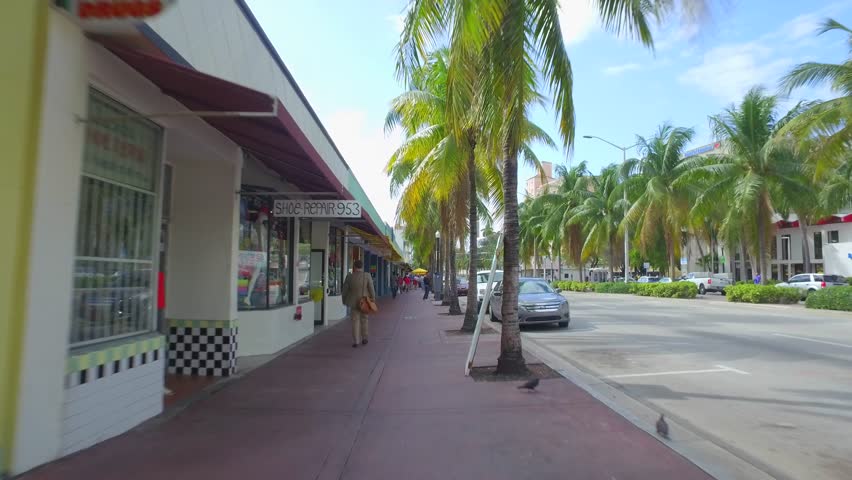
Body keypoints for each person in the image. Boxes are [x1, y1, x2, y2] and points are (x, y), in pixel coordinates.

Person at [342, 259, 375, 348]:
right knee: (365, 320)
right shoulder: (367, 276)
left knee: (355, 321)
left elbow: (344, 290)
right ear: (362, 266)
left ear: (354, 267)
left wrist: (344, 300)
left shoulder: (349, 277)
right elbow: (371, 288)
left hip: (353, 302)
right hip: (364, 301)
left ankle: (356, 341)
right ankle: (365, 338)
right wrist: (372, 299)